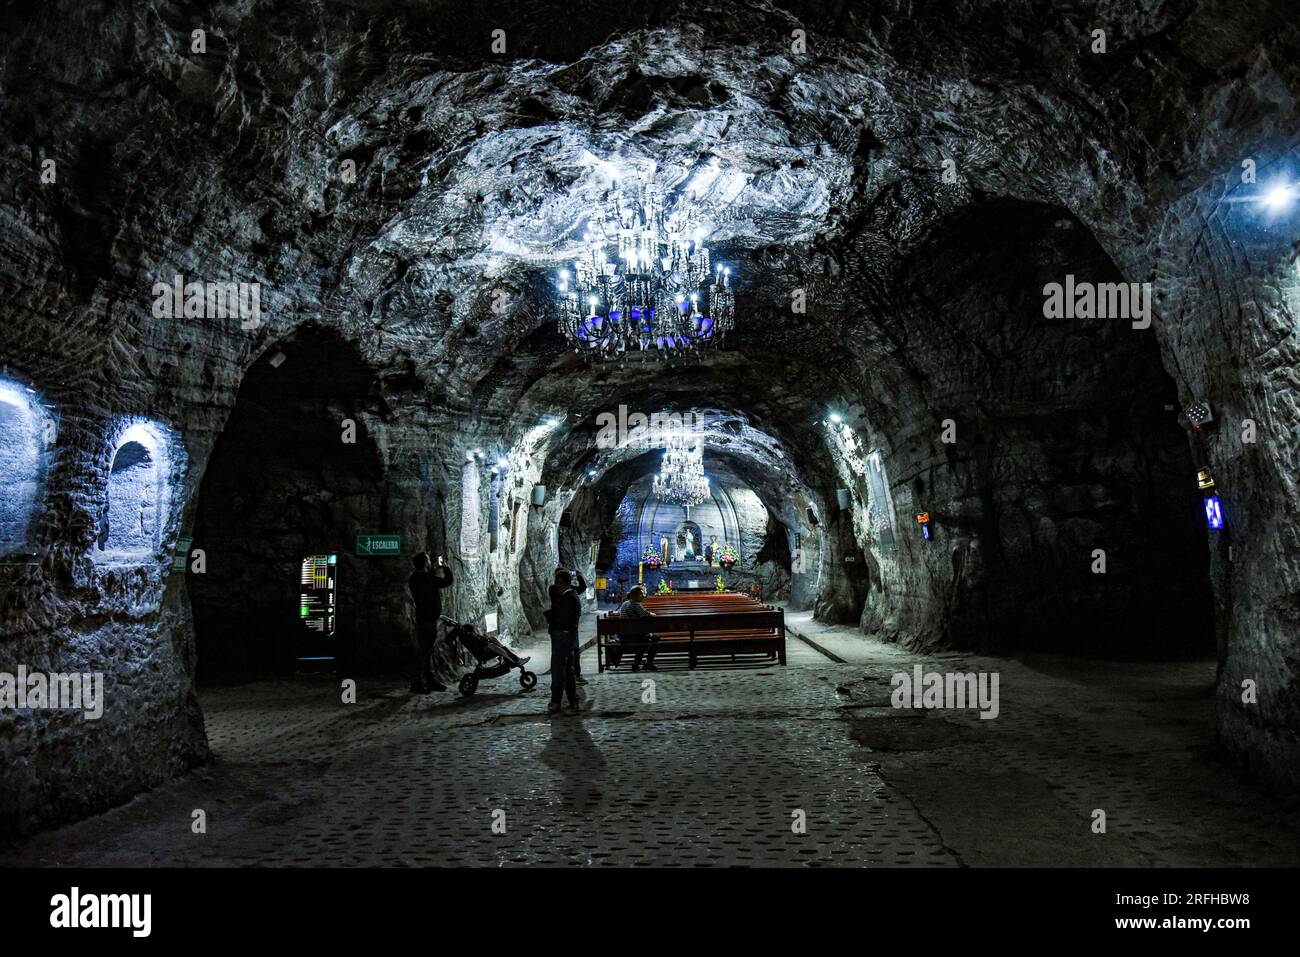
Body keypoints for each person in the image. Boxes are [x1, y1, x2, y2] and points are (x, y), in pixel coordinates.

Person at [408, 552, 453, 693]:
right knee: (425, 652)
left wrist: (432, 571)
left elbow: (427, 583)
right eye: (427, 560)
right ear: (425, 563)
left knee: (426, 650)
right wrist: (445, 567)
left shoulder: (414, 578)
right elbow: (447, 581)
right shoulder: (428, 579)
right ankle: (417, 682)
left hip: (421, 617)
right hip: (429, 619)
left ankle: (429, 680)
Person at [546, 568, 584, 714]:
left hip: (563, 635)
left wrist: (552, 618)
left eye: (560, 582)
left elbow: (563, 618)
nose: (557, 585)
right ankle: (573, 700)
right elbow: (551, 589)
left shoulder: (569, 598)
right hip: (567, 635)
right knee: (568, 670)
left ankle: (556, 702)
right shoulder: (568, 595)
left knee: (558, 670)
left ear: (568, 583)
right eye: (556, 582)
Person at [615, 585, 659, 671]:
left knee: (644, 637)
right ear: (634, 595)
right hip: (634, 636)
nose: (643, 596)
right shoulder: (636, 604)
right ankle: (648, 663)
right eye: (641, 594)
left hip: (624, 636)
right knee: (655, 637)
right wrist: (653, 614)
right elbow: (646, 615)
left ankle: (637, 663)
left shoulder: (625, 604)